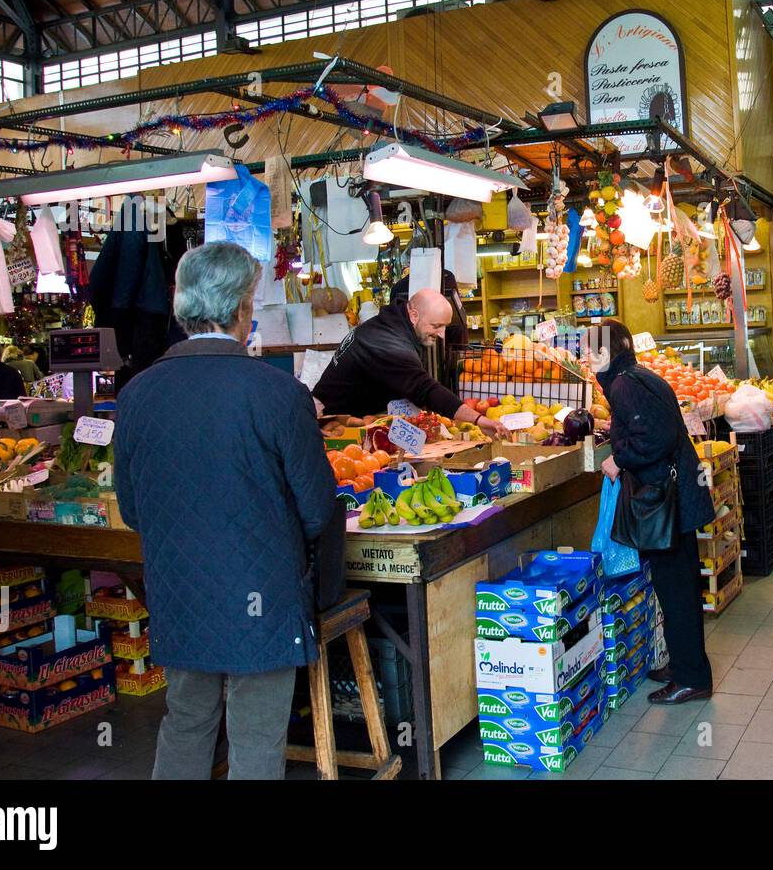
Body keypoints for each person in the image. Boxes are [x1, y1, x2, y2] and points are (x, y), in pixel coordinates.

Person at [114, 242, 338, 780]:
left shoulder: (137, 394)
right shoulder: (278, 392)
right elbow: (317, 506)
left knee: (187, 720)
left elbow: (131, 508)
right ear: (242, 308)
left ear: (181, 304)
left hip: (178, 589)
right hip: (263, 592)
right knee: (257, 733)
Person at [590, 319, 715, 706]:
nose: (584, 357)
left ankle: (692, 678)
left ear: (604, 353)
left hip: (669, 503)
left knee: (676, 590)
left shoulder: (626, 384)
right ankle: (683, 666)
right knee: (674, 586)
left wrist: (618, 458)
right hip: (675, 498)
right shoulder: (634, 376)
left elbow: (654, 437)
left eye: (588, 349)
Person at [312, 288, 507, 438]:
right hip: (334, 426)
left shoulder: (392, 324)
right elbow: (425, 389)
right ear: (414, 315)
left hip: (361, 420)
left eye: (445, 327)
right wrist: (478, 419)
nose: (441, 334)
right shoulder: (388, 343)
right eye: (436, 326)